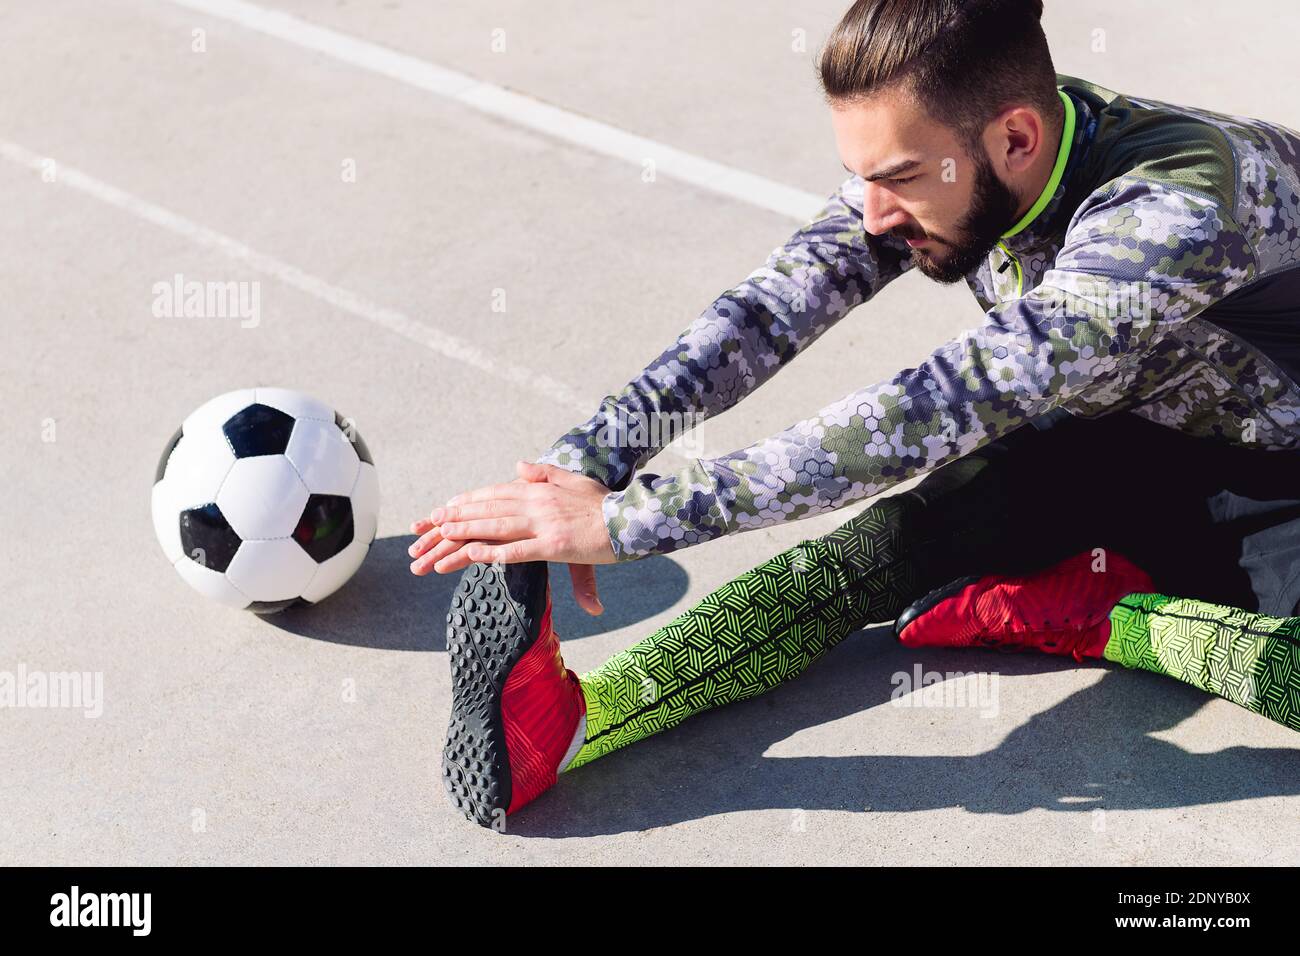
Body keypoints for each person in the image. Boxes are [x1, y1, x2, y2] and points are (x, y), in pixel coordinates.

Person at [411, 0, 1300, 828]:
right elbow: (766, 314)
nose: (873, 215)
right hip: (1129, 430)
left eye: (900, 179)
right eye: (858, 177)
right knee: (887, 548)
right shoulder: (954, 154)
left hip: (1284, 467)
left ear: (1016, 138)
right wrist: (593, 460)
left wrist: (631, 523)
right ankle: (574, 720)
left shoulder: (1179, 203)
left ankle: (1116, 618)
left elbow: (945, 403)